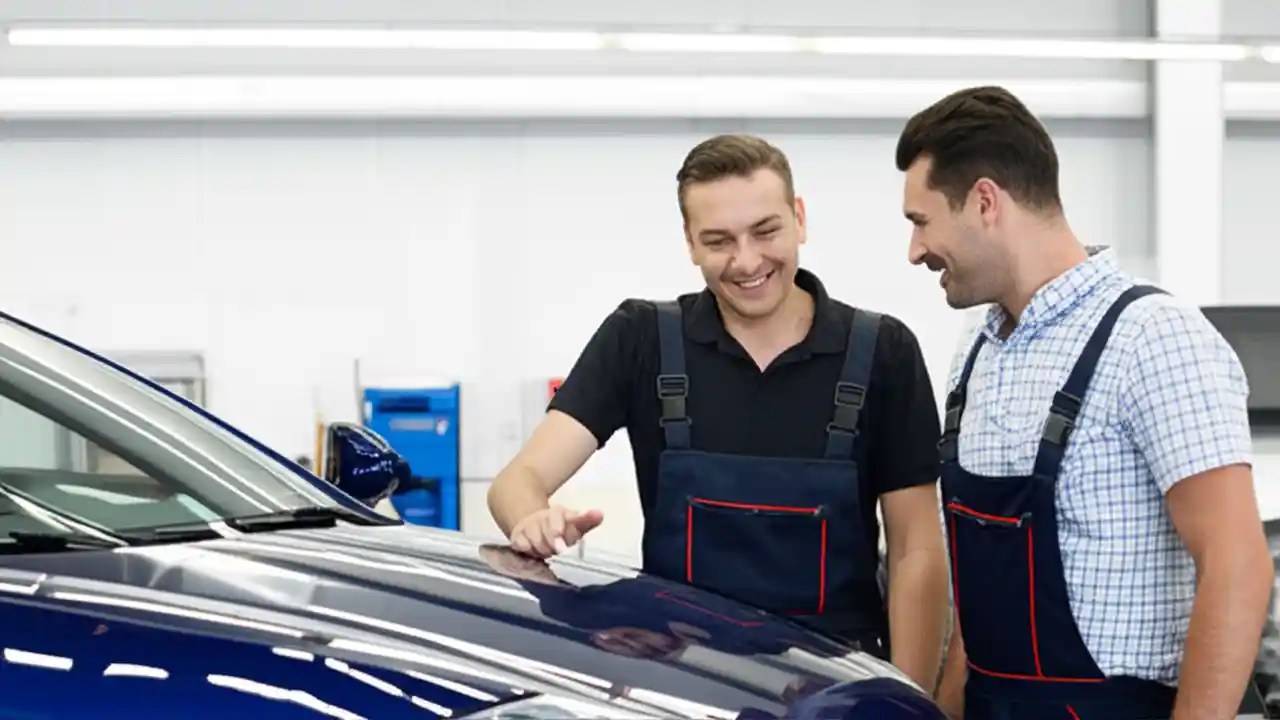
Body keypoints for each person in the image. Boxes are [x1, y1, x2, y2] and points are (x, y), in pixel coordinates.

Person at [487, 133, 951, 691]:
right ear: (689, 242)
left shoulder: (883, 352)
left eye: (766, 231)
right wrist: (530, 520)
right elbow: (518, 481)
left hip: (836, 692)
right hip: (682, 689)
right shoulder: (641, 340)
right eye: (719, 240)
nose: (747, 261)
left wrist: (906, 701)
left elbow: (915, 553)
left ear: (799, 218)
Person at [895, 85, 1275, 719]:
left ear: (985, 201)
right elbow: (985, 587)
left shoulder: (1153, 338)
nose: (914, 251)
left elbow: (1237, 565)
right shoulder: (979, 351)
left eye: (921, 222)